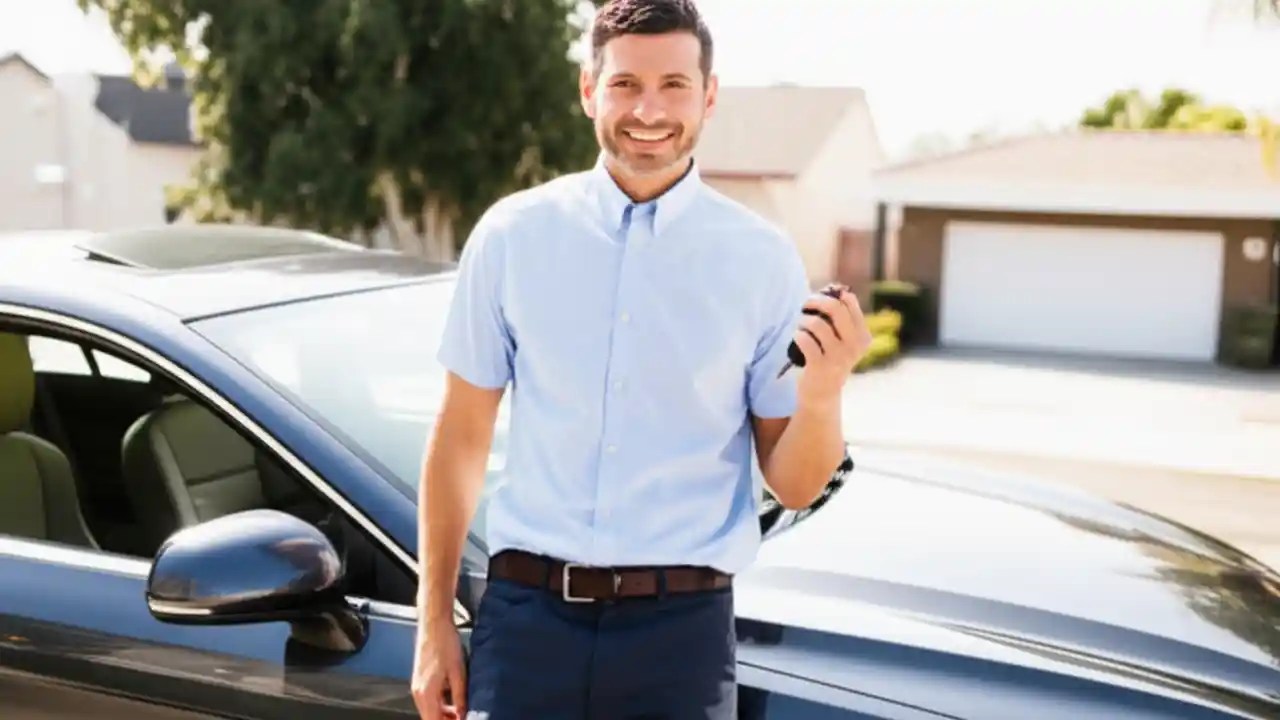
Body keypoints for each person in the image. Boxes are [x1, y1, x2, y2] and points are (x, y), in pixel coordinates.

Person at [411, 1, 870, 717]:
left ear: (709, 95)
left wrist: (823, 394)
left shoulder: (761, 261)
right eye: (625, 84)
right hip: (525, 626)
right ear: (589, 89)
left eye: (674, 85)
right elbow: (461, 437)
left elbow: (797, 482)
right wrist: (432, 620)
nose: (649, 110)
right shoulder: (512, 236)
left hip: (679, 640)